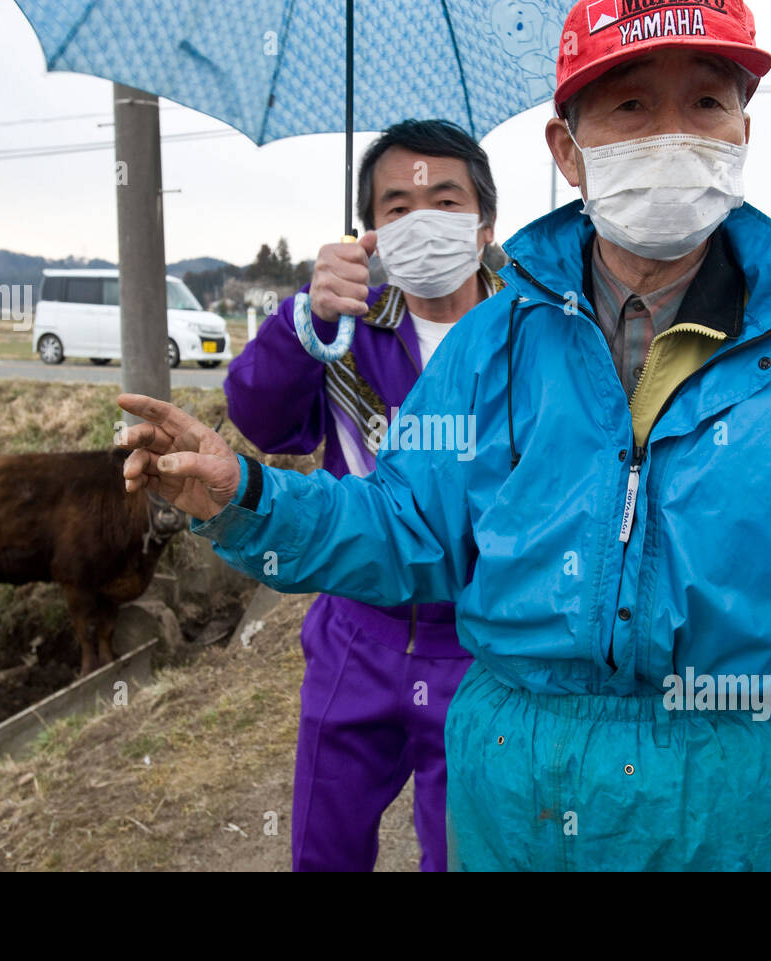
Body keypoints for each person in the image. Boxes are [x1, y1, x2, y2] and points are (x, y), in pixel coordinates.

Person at [119, 0, 771, 871]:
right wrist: (247, 496)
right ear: (569, 149)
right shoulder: (495, 340)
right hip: (510, 790)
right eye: (631, 104)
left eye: (706, 101)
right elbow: (405, 526)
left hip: (723, 804)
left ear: (743, 131)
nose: (672, 134)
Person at [222, 119, 499, 871]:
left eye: (445, 201)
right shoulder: (343, 329)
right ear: (368, 231)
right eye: (397, 208)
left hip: (483, 649)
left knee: (467, 852)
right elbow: (261, 420)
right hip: (356, 633)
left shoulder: (526, 333)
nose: (423, 222)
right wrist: (302, 321)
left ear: (484, 224)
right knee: (324, 847)